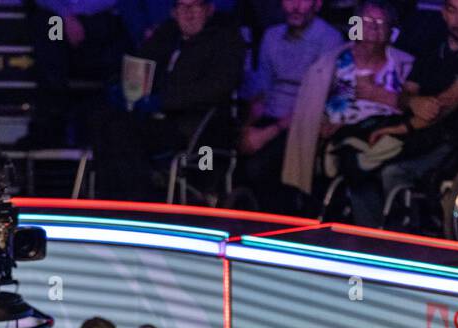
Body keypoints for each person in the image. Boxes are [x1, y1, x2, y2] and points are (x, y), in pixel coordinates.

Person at [350, 0, 458, 225]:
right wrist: (413, 102)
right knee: (354, 161)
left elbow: (439, 108)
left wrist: (398, 128)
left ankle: (402, 234)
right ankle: (370, 235)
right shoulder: (433, 51)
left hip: (457, 142)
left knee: (391, 171)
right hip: (421, 136)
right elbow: (405, 95)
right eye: (453, 10)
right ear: (443, 13)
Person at [93, 0, 246, 201]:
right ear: (174, 12)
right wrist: (125, 88)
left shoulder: (226, 40)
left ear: (209, 9)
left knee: (121, 131)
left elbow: (216, 89)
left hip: (191, 125)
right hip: (151, 117)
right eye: (182, 7)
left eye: (195, 6)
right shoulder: (167, 33)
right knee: (102, 119)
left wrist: (162, 101)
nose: (188, 14)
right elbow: (140, 63)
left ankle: (137, 205)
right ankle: (107, 202)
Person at [281, 0, 414, 217]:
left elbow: (411, 105)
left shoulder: (404, 65)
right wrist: (325, 122)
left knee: (366, 160)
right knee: (352, 160)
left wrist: (380, 96)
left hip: (388, 131)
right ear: (356, 25)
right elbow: (320, 105)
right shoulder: (333, 63)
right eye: (368, 21)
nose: (373, 27)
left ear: (391, 30)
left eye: (381, 23)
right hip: (343, 132)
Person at [236, 0, 343, 213]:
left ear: (317, 4)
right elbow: (261, 91)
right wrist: (248, 128)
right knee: (225, 151)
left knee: (261, 166)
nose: (295, 6)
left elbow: (319, 99)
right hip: (271, 116)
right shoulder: (271, 36)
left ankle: (280, 227)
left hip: (307, 123)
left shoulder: (329, 39)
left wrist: (269, 132)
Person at [16, 0, 129, 148]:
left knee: (116, 36)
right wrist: (67, 16)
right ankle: (52, 120)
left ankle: (105, 126)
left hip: (98, 17)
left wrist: (77, 14)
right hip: (58, 19)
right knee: (50, 33)